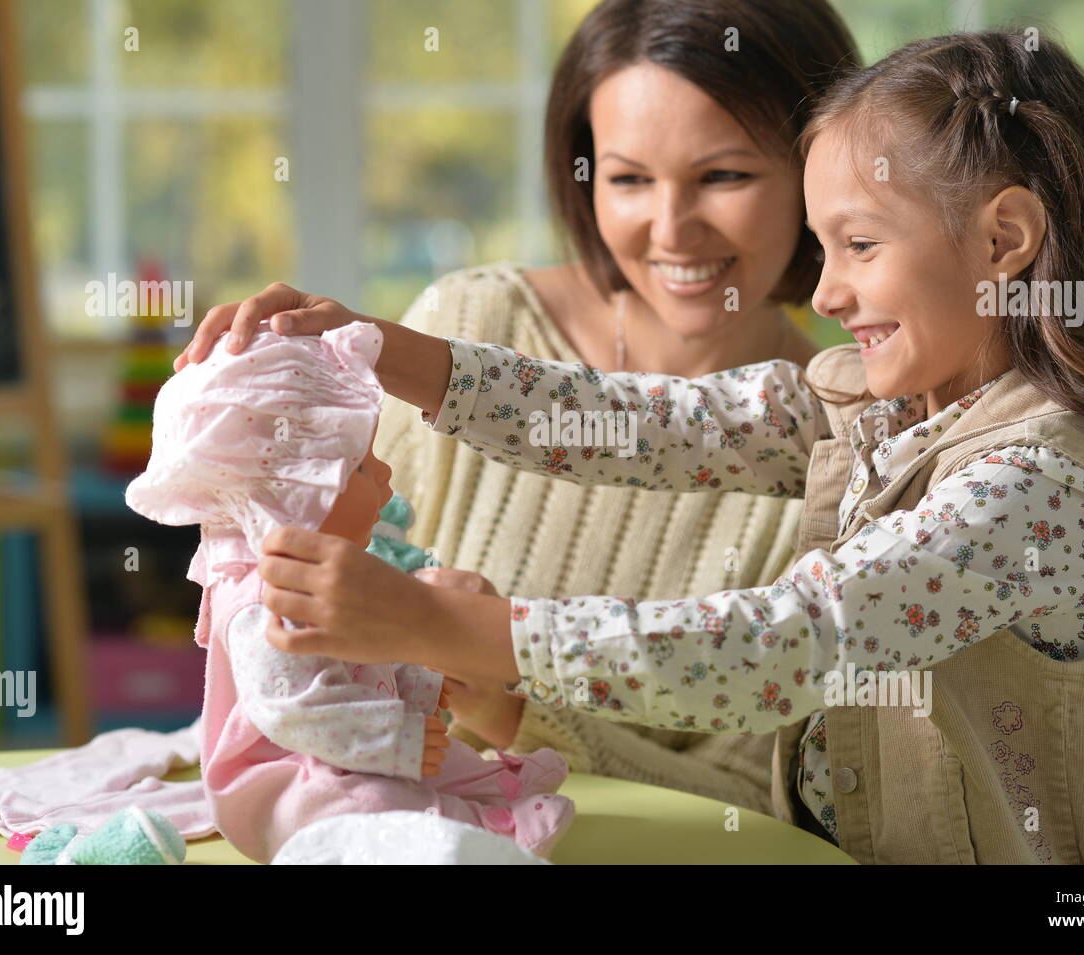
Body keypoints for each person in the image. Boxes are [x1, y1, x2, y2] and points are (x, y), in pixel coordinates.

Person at [203, 31, 1084, 864]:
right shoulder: (885, 410)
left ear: (1002, 241)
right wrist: (380, 349)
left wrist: (451, 628)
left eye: (859, 246)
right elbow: (624, 421)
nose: (824, 296)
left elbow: (784, 638)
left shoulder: (1033, 492)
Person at [176, 0, 859, 818]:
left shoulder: (844, 449)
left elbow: (753, 801)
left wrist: (502, 703)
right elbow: (288, 607)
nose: (672, 229)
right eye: (629, 178)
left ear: (825, 174)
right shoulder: (466, 328)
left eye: (724, 176)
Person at [127, 321, 574, 863]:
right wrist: (393, 735)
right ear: (292, 499)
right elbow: (292, 709)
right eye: (361, 466)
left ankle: (489, 786)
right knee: (366, 801)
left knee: (433, 758)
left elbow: (376, 654)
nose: (386, 475)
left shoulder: (332, 572)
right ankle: (485, 826)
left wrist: (421, 677)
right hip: (290, 774)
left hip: (355, 744)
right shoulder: (263, 600)